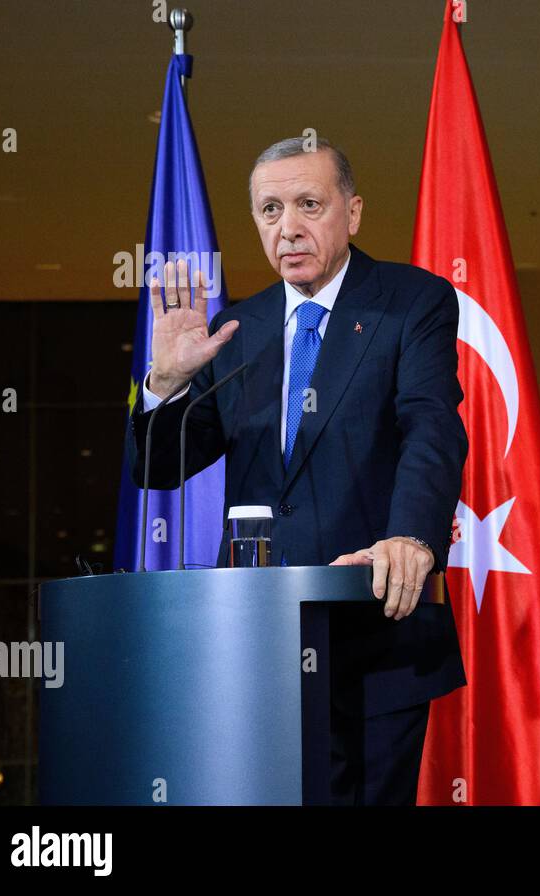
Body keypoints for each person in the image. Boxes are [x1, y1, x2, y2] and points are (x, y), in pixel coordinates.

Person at [129, 136, 468, 805]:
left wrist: (414, 538)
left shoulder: (410, 302)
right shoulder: (236, 329)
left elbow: (431, 425)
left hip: (373, 631)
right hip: (259, 646)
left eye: (309, 204)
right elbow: (161, 468)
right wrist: (163, 386)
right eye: (269, 210)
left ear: (354, 212)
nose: (288, 228)